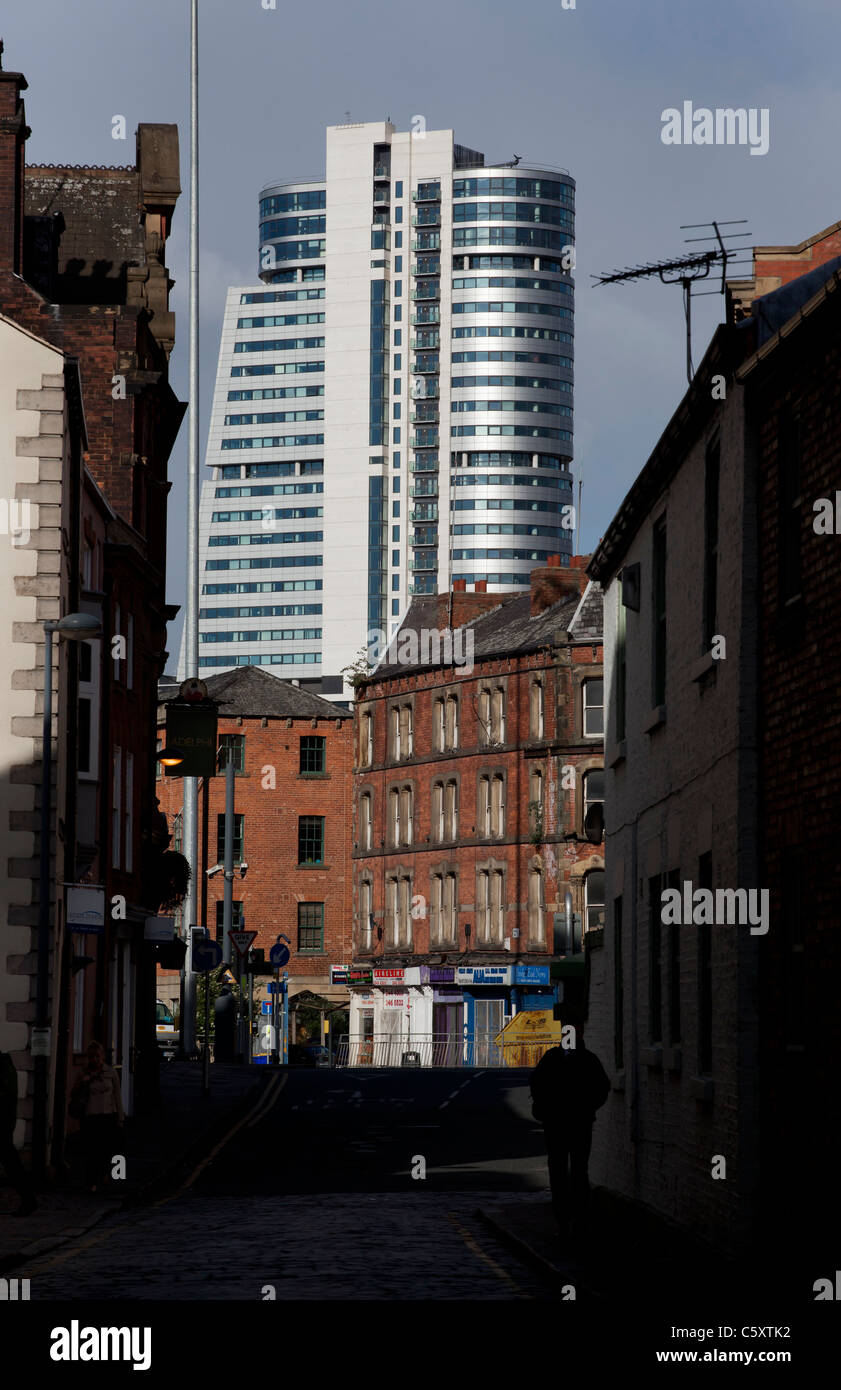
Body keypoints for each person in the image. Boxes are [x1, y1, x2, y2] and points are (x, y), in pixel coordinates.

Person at [529, 1014, 610, 1240]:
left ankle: (580, 1219)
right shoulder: (552, 1058)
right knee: (558, 1171)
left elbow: (602, 1088)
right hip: (556, 1124)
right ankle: (563, 1219)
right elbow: (536, 1083)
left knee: (578, 1171)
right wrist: (545, 1109)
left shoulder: (588, 1060)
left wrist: (587, 1109)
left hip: (579, 1124)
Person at [70, 1041, 124, 1193]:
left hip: (107, 1116)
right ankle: (92, 1181)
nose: (95, 1060)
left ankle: (106, 1175)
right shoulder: (83, 1073)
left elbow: (117, 1096)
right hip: (90, 1116)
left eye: (98, 1057)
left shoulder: (111, 1073)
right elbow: (74, 1094)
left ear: (102, 1057)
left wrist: (120, 1117)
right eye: (92, 1057)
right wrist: (83, 1083)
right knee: (91, 1150)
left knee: (106, 1149)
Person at [0, 1048, 37, 1215]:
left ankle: (29, 1199)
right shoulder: (6, 1066)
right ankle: (28, 1198)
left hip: (1, 1125)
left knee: (12, 1164)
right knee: (11, 1163)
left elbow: (4, 1098)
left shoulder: (4, 1067)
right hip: (4, 1124)